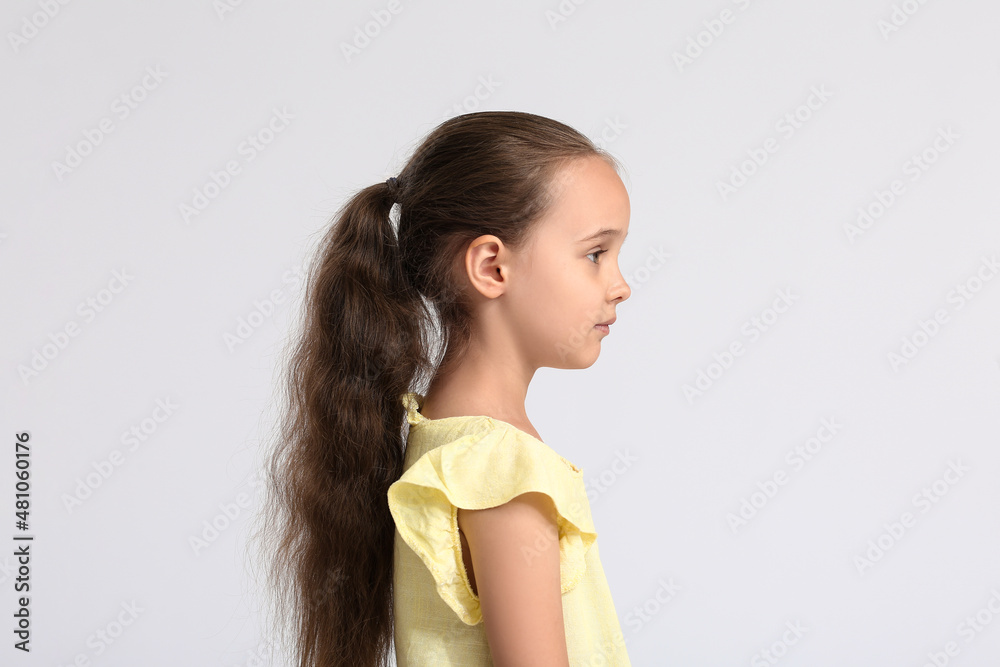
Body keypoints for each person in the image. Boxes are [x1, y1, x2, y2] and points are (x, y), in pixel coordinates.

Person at [253, 110, 632, 667]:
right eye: (596, 254)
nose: (620, 286)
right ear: (491, 267)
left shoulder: (440, 439)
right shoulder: (503, 472)